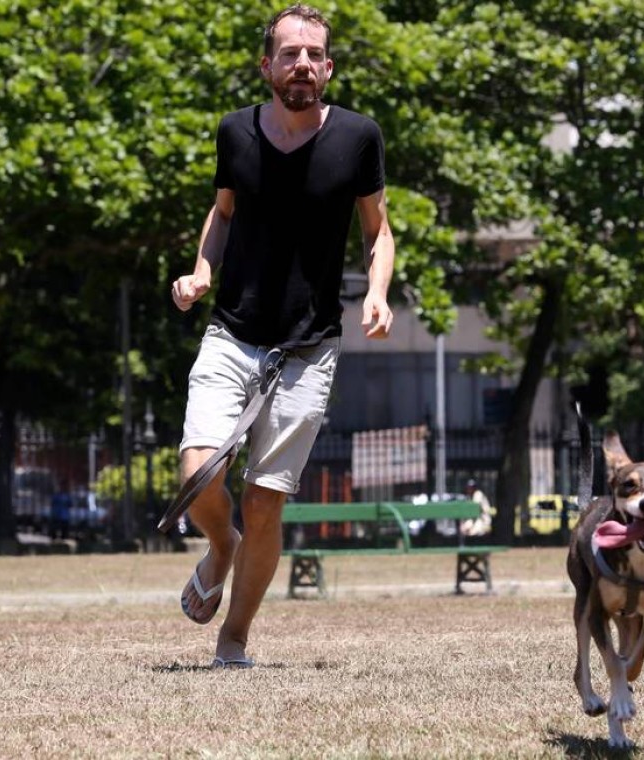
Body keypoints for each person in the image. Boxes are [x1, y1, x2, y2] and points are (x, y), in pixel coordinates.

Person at [169, 3, 395, 669]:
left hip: (308, 347)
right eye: (289, 53)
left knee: (265, 503)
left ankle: (233, 637)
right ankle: (220, 547)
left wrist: (377, 292)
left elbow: (377, 229)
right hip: (234, 332)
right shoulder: (235, 133)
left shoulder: (358, 136)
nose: (302, 64)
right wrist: (200, 270)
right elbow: (222, 212)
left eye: (313, 55)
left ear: (327, 68)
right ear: (265, 64)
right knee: (198, 470)